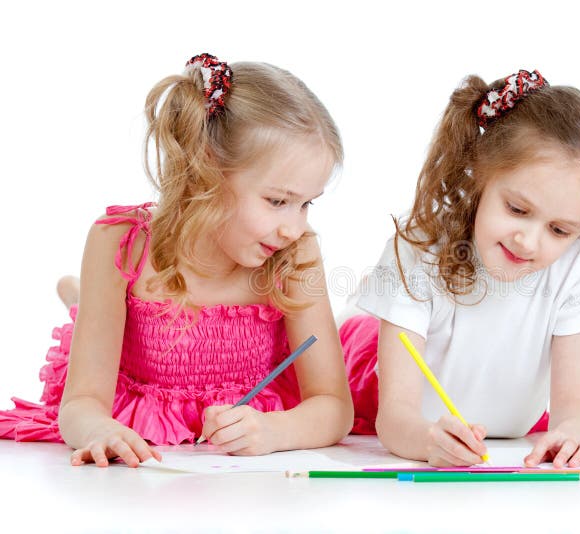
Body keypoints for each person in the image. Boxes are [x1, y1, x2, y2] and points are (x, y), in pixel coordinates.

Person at [0, 53, 354, 467]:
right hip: (141, 383)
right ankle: (79, 299)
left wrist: (274, 430)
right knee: (88, 316)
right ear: (207, 169)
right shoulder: (121, 241)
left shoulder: (294, 253)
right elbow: (81, 403)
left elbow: (334, 406)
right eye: (278, 201)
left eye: (306, 204)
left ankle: (79, 299)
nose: (294, 228)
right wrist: (99, 428)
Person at [339, 68, 580, 468]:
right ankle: (366, 306)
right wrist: (427, 440)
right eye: (517, 209)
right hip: (373, 376)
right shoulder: (421, 244)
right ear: (480, 173)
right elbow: (394, 418)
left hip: (504, 413)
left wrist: (573, 437)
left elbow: (576, 409)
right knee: (360, 337)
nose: (528, 241)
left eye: (559, 229)